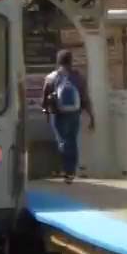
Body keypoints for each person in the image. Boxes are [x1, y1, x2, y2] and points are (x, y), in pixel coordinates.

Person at [41, 49, 94, 183]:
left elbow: (44, 99)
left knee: (62, 141)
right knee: (72, 140)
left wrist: (46, 112)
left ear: (58, 61)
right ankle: (71, 171)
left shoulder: (51, 77)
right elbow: (85, 98)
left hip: (57, 114)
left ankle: (66, 169)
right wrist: (92, 116)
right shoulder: (78, 77)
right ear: (71, 61)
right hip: (74, 114)